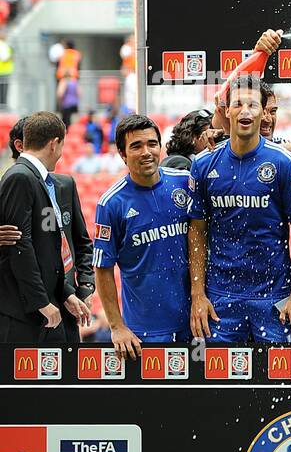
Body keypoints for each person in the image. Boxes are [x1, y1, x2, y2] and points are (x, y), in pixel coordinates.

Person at [188, 75, 291, 343]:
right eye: (238, 104)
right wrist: (198, 293)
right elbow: (196, 232)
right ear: (226, 111)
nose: (245, 111)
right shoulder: (203, 165)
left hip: (273, 296)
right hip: (221, 297)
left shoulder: (285, 164)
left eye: (253, 105)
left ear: (263, 112)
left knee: (278, 382)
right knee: (218, 380)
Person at [92, 115, 194, 355]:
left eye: (152, 144)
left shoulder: (185, 183)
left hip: (193, 323)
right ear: (122, 154)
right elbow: (102, 267)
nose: (146, 152)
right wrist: (117, 327)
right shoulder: (111, 204)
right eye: (136, 146)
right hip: (144, 331)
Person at [0, 112, 91, 341]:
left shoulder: (43, 180)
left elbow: (53, 250)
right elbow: (20, 246)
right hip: (27, 314)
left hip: (51, 304)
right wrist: (42, 301)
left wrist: (66, 293)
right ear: (55, 144)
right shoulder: (20, 177)